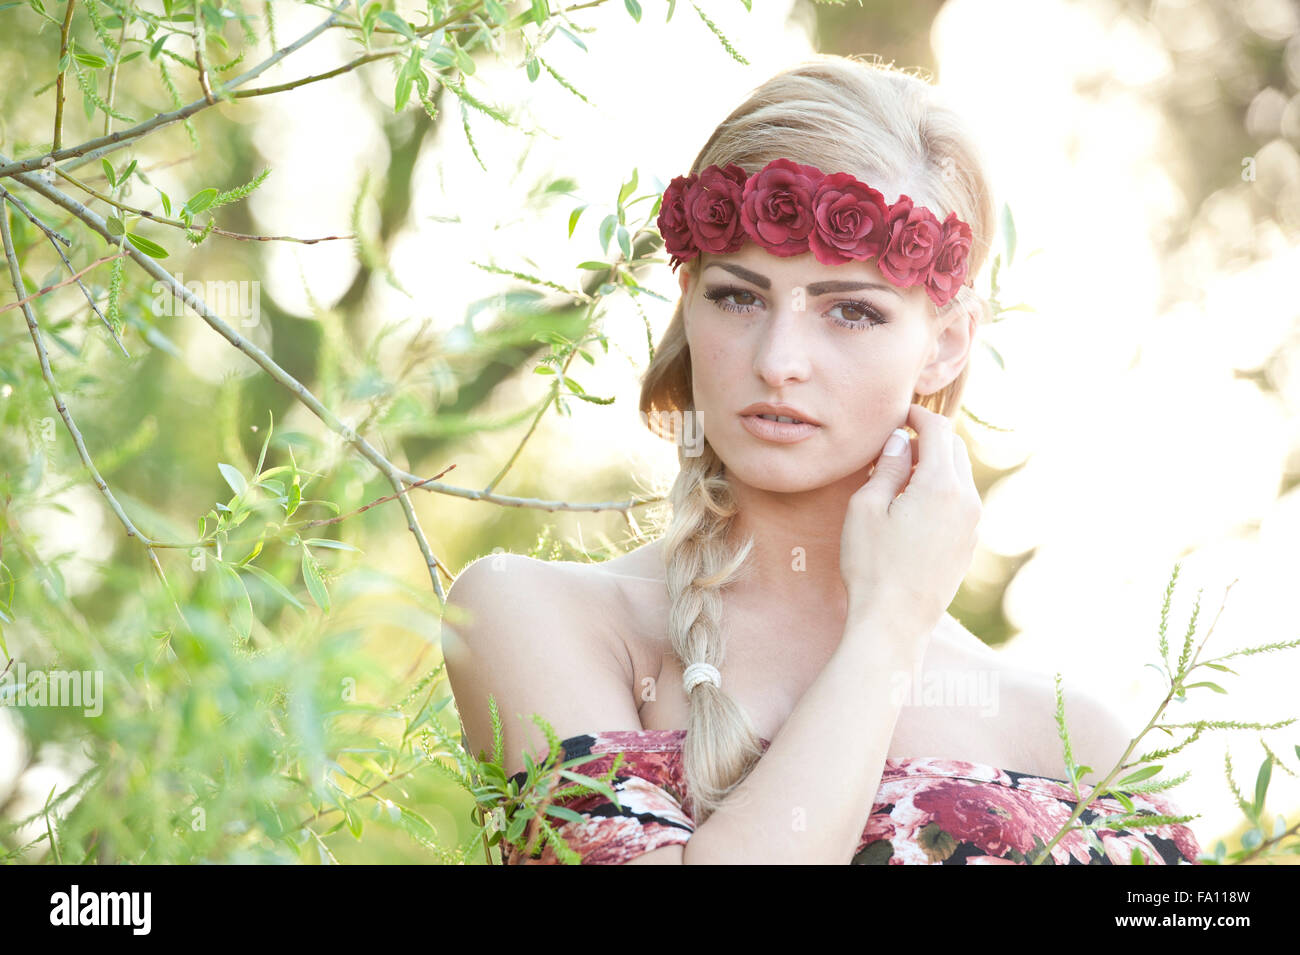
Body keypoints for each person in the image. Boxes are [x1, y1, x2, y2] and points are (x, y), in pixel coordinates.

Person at [441, 54, 1202, 865]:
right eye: (740, 295)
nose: (779, 361)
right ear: (690, 301)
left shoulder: (1081, 750)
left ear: (945, 344)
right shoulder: (535, 617)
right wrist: (886, 632)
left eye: (851, 311)